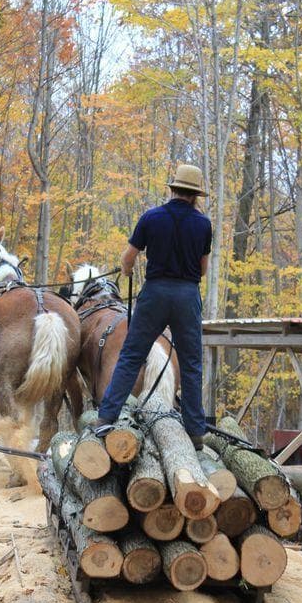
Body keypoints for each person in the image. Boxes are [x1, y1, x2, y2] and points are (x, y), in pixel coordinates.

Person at [95, 163, 211, 448]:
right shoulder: (203, 224)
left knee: (131, 356)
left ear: (172, 189)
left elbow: (128, 258)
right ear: (196, 194)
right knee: (191, 363)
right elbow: (203, 269)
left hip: (155, 292)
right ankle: (195, 431)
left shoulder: (151, 217)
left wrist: (127, 270)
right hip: (186, 295)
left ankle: (106, 418)